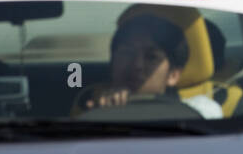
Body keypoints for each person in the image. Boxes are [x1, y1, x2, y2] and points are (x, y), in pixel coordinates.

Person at [77, 13, 221, 118]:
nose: (136, 65)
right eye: (127, 53)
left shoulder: (202, 111)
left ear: (173, 75)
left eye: (151, 57)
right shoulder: (91, 105)